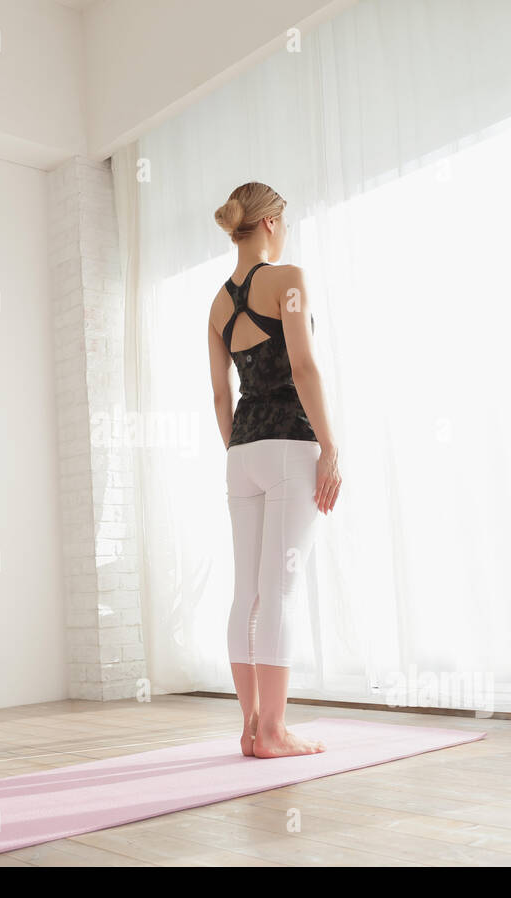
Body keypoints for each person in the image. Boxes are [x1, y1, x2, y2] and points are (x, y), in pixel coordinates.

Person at [207, 182, 342, 758]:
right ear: (269, 224)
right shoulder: (288, 280)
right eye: (284, 223)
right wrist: (330, 447)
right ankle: (273, 733)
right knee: (280, 591)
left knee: (248, 593)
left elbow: (220, 397)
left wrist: (239, 451)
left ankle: (251, 726)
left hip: (241, 452)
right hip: (290, 443)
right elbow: (304, 367)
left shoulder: (216, 305)